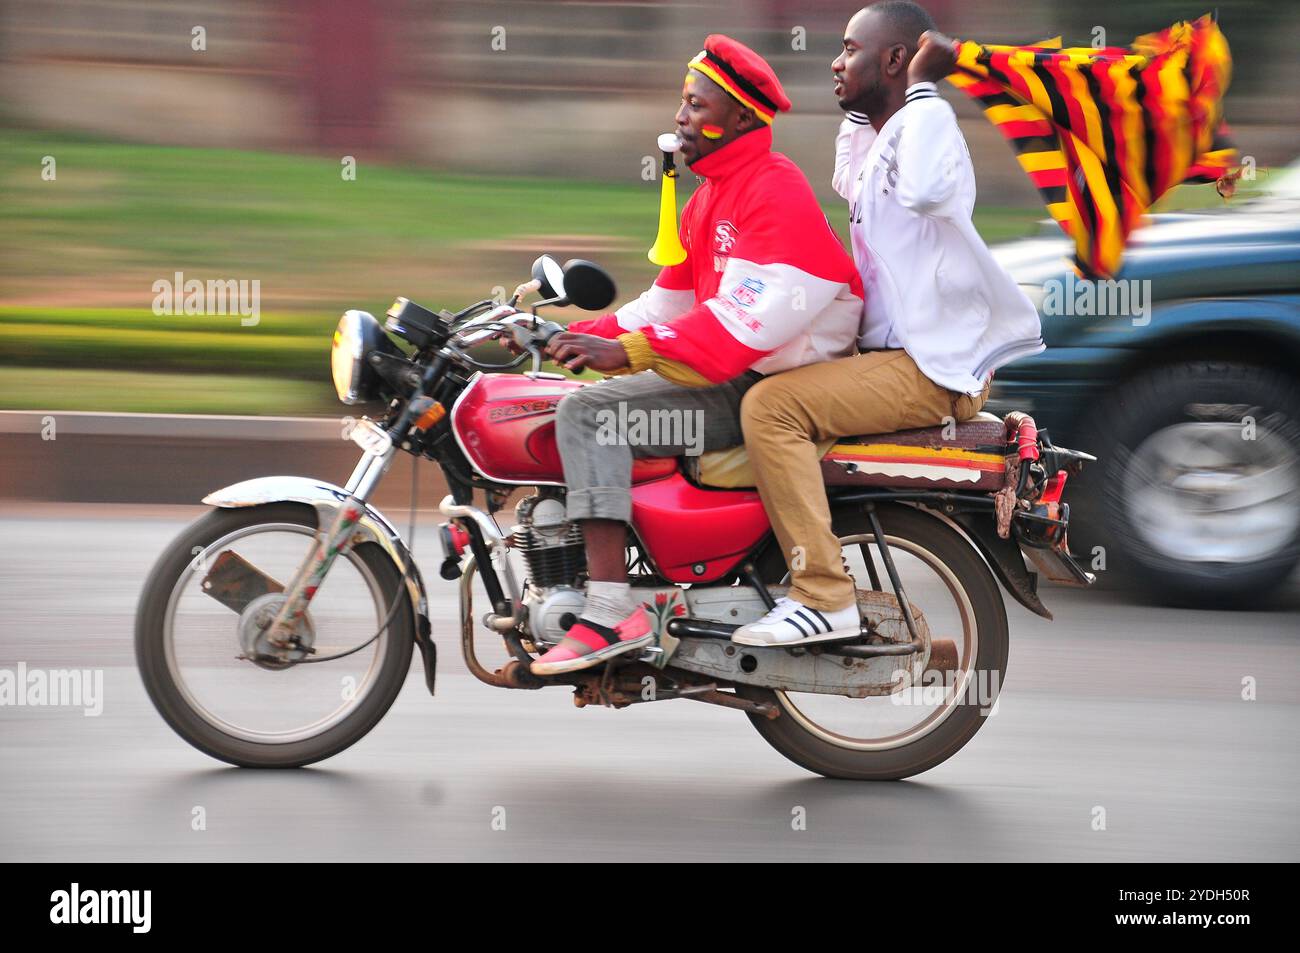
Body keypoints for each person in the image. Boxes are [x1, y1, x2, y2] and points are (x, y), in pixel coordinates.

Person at [528, 34, 864, 675]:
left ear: (740, 118)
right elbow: (667, 307)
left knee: (591, 417)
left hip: (759, 386)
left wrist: (621, 351)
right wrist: (564, 334)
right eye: (681, 102)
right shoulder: (710, 196)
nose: (681, 117)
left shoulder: (775, 190)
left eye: (695, 104)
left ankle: (608, 611)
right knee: (559, 401)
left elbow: (740, 327)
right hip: (734, 376)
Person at [731, 1, 1045, 646]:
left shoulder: (933, 130)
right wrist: (870, 101)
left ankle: (822, 594)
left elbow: (927, 192)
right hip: (899, 359)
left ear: (896, 60)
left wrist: (925, 87)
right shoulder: (888, 137)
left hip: (930, 368)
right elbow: (851, 178)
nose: (835, 61)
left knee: (771, 410)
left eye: (850, 49)